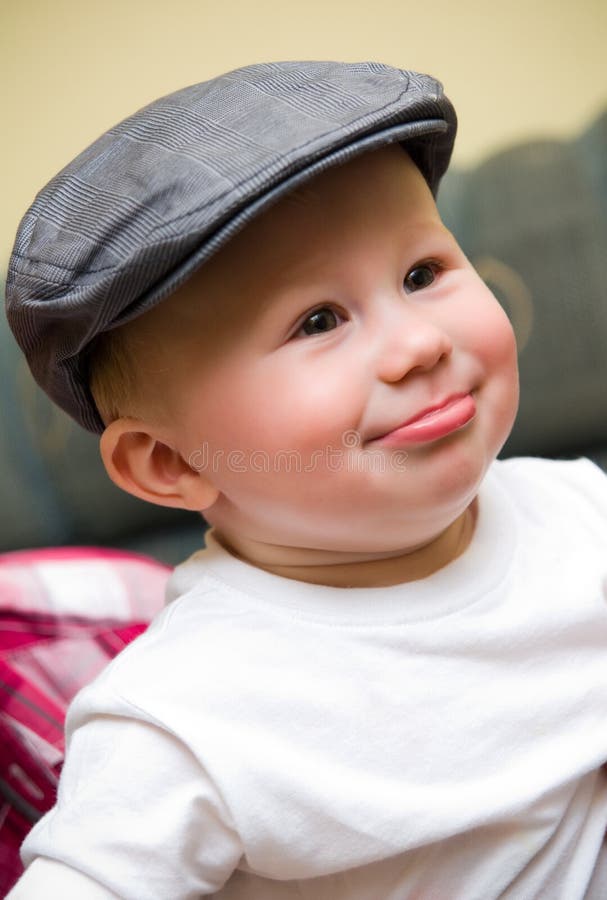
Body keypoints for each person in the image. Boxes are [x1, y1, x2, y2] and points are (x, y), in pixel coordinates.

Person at [5, 60, 607, 899]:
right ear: (170, 463)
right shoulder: (182, 718)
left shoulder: (580, 510)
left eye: (422, 274)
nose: (419, 344)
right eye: (318, 321)